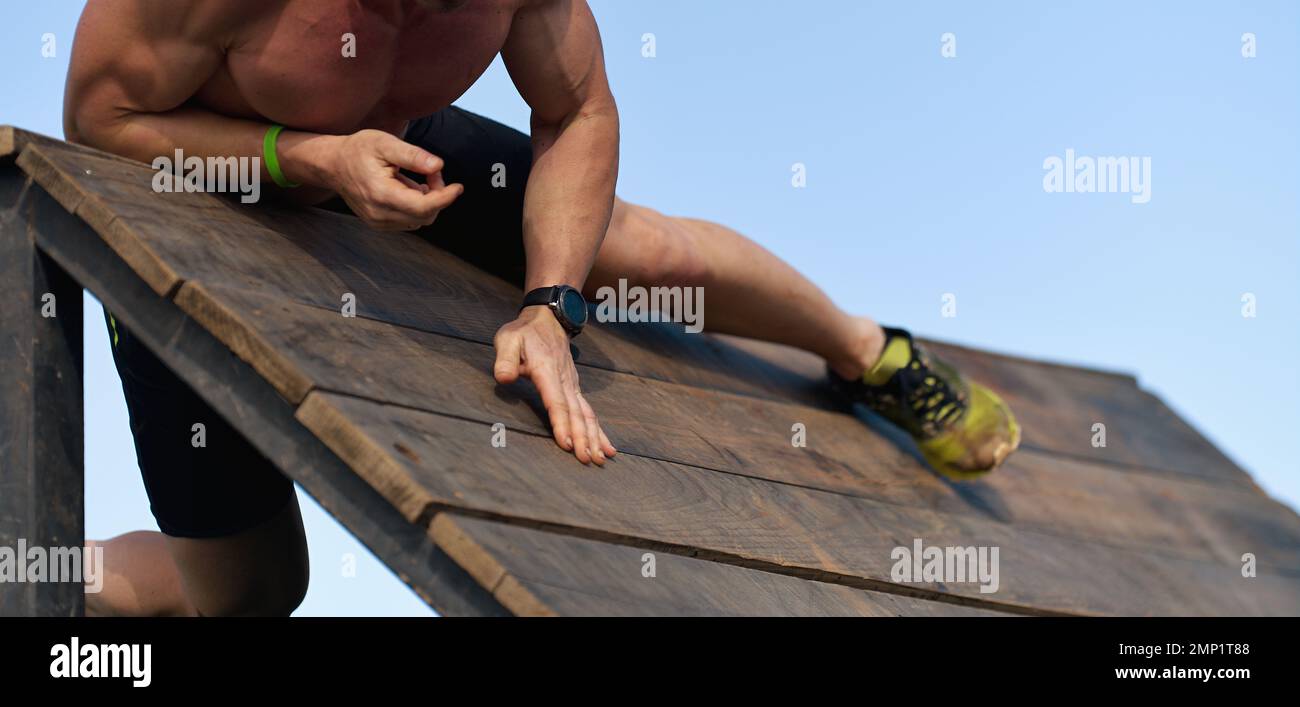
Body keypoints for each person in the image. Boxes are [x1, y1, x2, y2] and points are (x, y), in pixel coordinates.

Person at [64, 0, 1019, 616]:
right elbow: (99, 124)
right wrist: (311, 157)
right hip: (193, 193)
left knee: (642, 250)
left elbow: (578, 112)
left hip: (397, 151)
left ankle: (875, 357)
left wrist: (551, 305)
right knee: (252, 597)